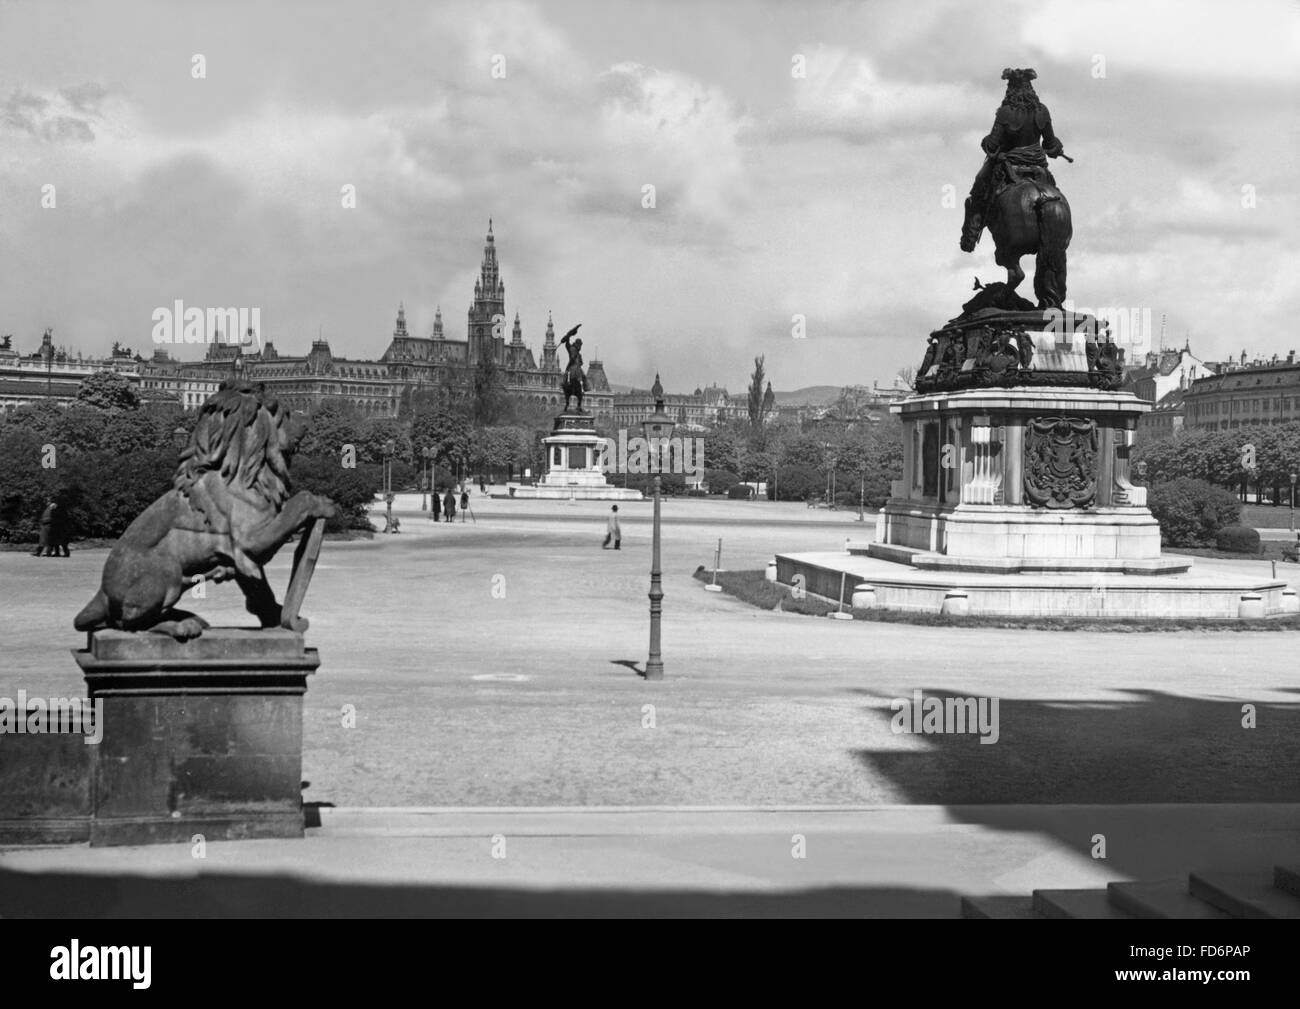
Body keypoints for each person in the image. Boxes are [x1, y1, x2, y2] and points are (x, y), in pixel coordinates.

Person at [960, 67, 1066, 253]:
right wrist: (1057, 148)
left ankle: (971, 234)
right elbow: (1050, 145)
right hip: (1038, 168)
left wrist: (985, 142)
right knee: (1054, 189)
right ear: (1030, 88)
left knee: (979, 188)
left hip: (1009, 165)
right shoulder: (1042, 111)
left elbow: (992, 146)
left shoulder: (1005, 112)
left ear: (1011, 89)